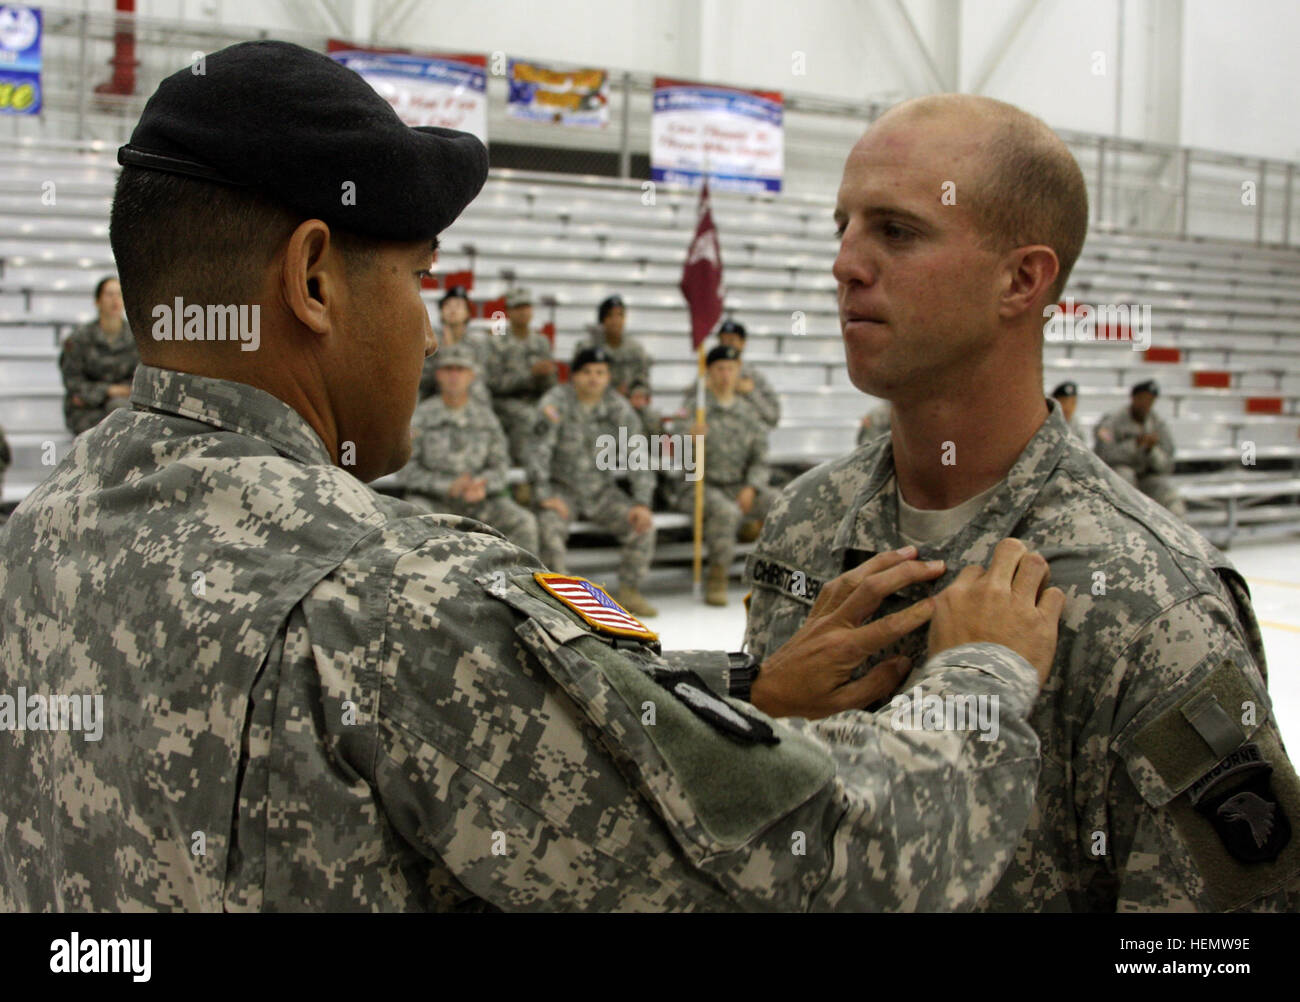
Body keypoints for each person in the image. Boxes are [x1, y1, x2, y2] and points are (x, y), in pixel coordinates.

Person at [0, 43, 1063, 913]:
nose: (429, 321)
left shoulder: (35, 537)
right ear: (313, 278)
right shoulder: (389, 599)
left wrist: (739, 694)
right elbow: (831, 863)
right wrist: (981, 678)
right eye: (420, 279)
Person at [744, 93, 1300, 913]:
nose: (845, 263)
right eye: (843, 227)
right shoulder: (804, 523)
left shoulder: (1153, 602)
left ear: (1022, 279)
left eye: (895, 231)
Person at [530, 346, 659, 617]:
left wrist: (641, 502)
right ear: (574, 376)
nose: (593, 378)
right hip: (561, 489)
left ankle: (630, 591)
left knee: (643, 525)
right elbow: (537, 450)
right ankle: (561, 599)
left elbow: (638, 457)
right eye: (586, 372)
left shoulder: (618, 407)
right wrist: (543, 494)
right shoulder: (555, 403)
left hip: (601, 491)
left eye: (600, 372)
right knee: (548, 528)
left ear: (608, 376)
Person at [402, 342, 539, 554]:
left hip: (479, 500)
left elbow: (500, 466)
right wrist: (446, 485)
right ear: (438, 375)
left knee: (524, 522)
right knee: (412, 522)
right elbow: (407, 468)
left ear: (471, 376)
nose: (454, 376)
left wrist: (482, 485)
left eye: (461, 369)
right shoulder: (422, 416)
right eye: (448, 369)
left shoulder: (485, 417)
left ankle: (521, 582)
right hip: (434, 501)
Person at [677, 345, 774, 606]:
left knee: (782, 503)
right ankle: (717, 578)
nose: (725, 374)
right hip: (699, 485)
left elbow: (760, 457)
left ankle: (775, 573)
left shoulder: (748, 411)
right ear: (708, 371)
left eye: (730, 369)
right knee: (726, 512)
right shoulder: (694, 409)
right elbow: (673, 455)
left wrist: (752, 487)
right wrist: (689, 440)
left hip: (739, 485)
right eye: (719, 368)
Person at [486, 286, 557, 485]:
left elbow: (551, 384)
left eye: (527, 306)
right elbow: (493, 382)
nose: (524, 311)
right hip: (506, 401)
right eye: (518, 307)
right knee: (528, 418)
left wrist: (547, 375)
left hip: (538, 400)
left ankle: (556, 469)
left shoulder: (541, 342)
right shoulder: (498, 342)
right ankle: (527, 476)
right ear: (509, 311)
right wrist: (529, 375)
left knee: (558, 415)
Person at [59, 275, 139, 434]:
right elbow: (73, 382)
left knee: (121, 413)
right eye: (109, 294)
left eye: (119, 294)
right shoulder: (79, 338)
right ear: (97, 301)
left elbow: (141, 378)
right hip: (86, 412)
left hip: (124, 407)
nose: (115, 300)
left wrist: (122, 393)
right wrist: (109, 390)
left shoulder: (137, 338)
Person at [1094, 380, 1185, 516]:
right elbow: (1103, 455)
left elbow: (1167, 465)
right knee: (1125, 476)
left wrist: (1151, 450)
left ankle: (1177, 533)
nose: (1146, 404)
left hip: (1146, 477)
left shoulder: (1158, 424)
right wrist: (1134, 445)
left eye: (1150, 400)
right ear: (1134, 398)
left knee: (1167, 490)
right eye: (1143, 399)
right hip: (1120, 475)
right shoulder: (1112, 421)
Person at [680, 320, 781, 429]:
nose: (727, 344)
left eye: (732, 340)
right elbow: (685, 410)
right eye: (723, 340)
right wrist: (702, 388)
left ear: (742, 343)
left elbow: (773, 417)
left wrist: (751, 393)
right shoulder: (709, 375)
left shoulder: (753, 377)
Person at [418, 285, 491, 405]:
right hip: (435, 396)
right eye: (448, 305)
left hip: (471, 398)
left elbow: (482, 375)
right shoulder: (430, 342)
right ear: (441, 312)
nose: (453, 310)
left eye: (458, 305)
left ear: (468, 313)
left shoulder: (477, 343)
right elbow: (424, 378)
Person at [585, 294, 651, 396]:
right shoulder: (588, 348)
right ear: (602, 320)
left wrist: (637, 393)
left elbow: (642, 380)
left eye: (620, 315)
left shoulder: (635, 349)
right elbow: (581, 383)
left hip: (629, 403)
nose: (615, 321)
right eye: (610, 315)